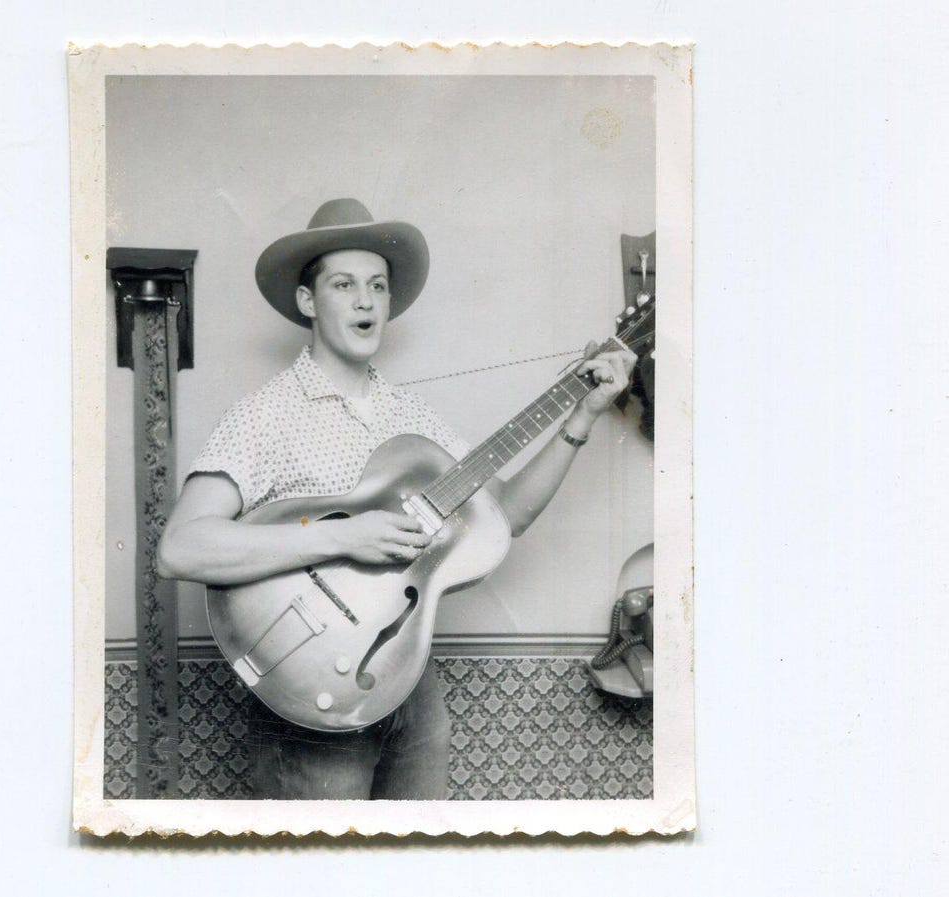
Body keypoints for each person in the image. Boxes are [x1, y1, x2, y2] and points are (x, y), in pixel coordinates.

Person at [157, 198, 636, 800]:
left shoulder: (412, 421)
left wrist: (581, 416)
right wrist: (343, 535)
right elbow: (180, 548)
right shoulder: (264, 416)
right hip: (305, 683)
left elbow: (506, 514)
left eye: (378, 286)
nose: (365, 300)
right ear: (308, 302)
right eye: (344, 284)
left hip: (410, 680)